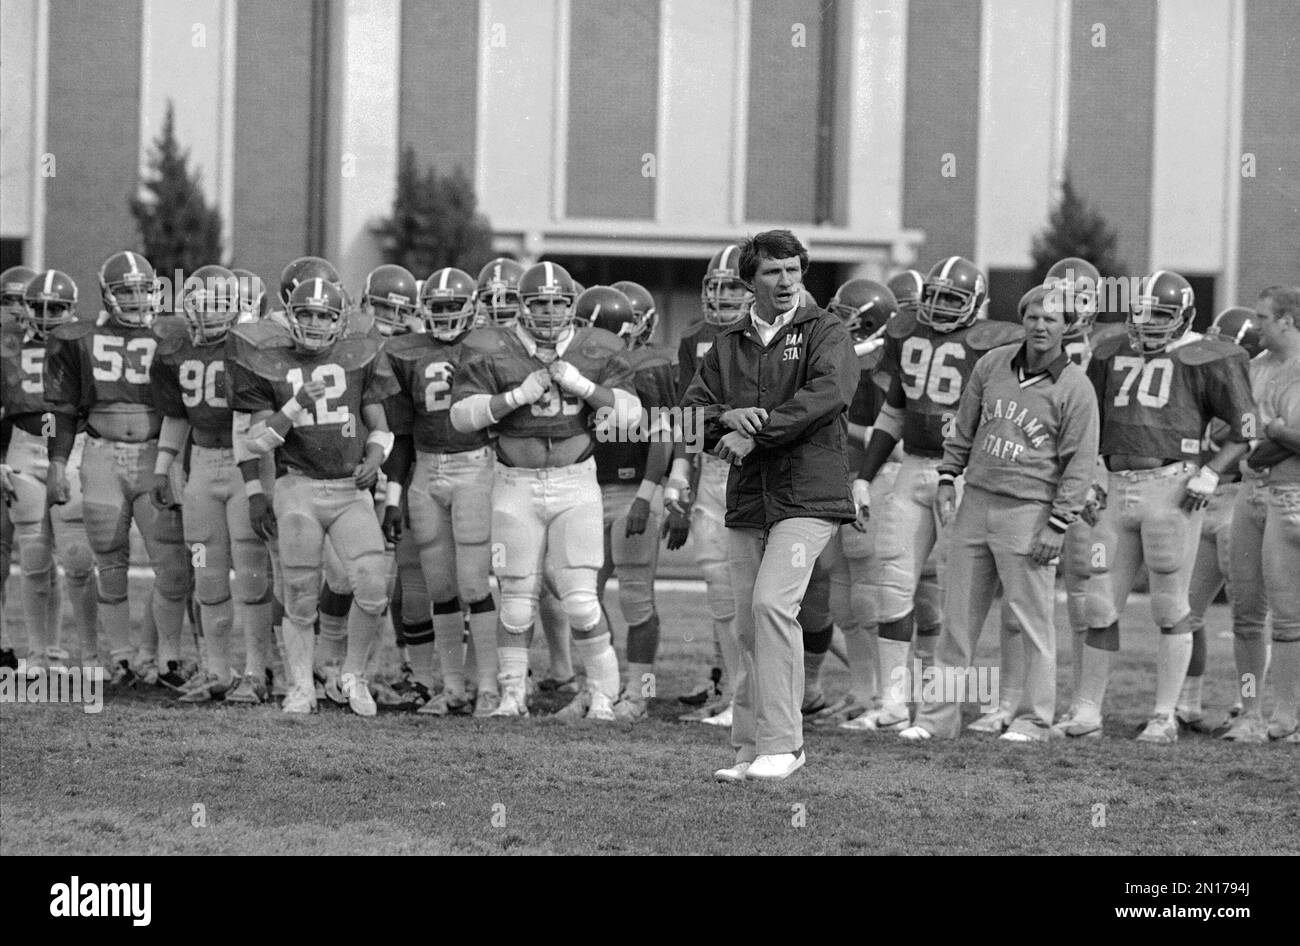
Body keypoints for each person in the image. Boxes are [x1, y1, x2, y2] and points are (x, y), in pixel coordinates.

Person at [681, 229, 858, 782]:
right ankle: (748, 749)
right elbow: (691, 416)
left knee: (771, 607)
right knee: (746, 626)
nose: (786, 282)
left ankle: (786, 744)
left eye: (793, 270)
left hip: (809, 494)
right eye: (773, 273)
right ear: (748, 281)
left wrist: (756, 434)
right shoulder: (727, 344)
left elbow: (828, 394)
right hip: (748, 497)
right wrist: (725, 420)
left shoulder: (826, 329)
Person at [1056, 270, 1256, 743]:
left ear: (1185, 316)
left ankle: (1165, 714)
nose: (1148, 325)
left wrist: (1211, 470)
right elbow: (1087, 417)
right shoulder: (1108, 350)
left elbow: (1246, 426)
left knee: (1171, 606)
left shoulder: (1210, 356)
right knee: (1099, 603)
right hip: (1112, 486)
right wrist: (1087, 475)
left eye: (1160, 317)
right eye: (1141, 315)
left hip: (1172, 488)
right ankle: (1086, 710)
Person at [898, 284, 1099, 741]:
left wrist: (1058, 522)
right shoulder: (992, 364)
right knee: (958, 618)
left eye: (1051, 319)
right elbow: (964, 425)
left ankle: (1033, 719)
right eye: (1033, 317)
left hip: (1030, 510)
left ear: (1067, 327)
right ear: (1022, 319)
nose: (1040, 326)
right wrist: (948, 476)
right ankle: (936, 719)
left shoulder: (1075, 387)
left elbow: (1080, 463)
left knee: (1031, 621)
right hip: (977, 500)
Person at [448, 262, 641, 720]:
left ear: (571, 305)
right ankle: (513, 695)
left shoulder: (596, 346)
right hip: (515, 482)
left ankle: (602, 696)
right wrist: (516, 397)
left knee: (579, 598)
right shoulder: (491, 346)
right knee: (515, 598)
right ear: (523, 306)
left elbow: (632, 416)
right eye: (540, 302)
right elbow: (459, 417)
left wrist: (583, 385)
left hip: (576, 482)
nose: (550, 311)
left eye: (558, 302)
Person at [230, 277, 398, 715]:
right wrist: (295, 403)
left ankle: (353, 675)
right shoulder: (269, 360)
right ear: (291, 316)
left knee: (373, 585)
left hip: (348, 489)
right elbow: (257, 442)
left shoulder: (359, 356)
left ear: (340, 320)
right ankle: (300, 685)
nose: (315, 322)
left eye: (324, 315)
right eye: (306, 313)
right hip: (298, 486)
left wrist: (376, 457)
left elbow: (381, 428)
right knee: (301, 594)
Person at [1223, 286, 1300, 742]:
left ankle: (1287, 715)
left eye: (1264, 317)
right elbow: (1241, 427)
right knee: (1245, 613)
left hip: (1291, 492)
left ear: (1288, 320)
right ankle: (1250, 711)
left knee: (1289, 615)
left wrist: (1268, 435)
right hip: (1250, 491)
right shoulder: (1255, 367)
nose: (1257, 324)